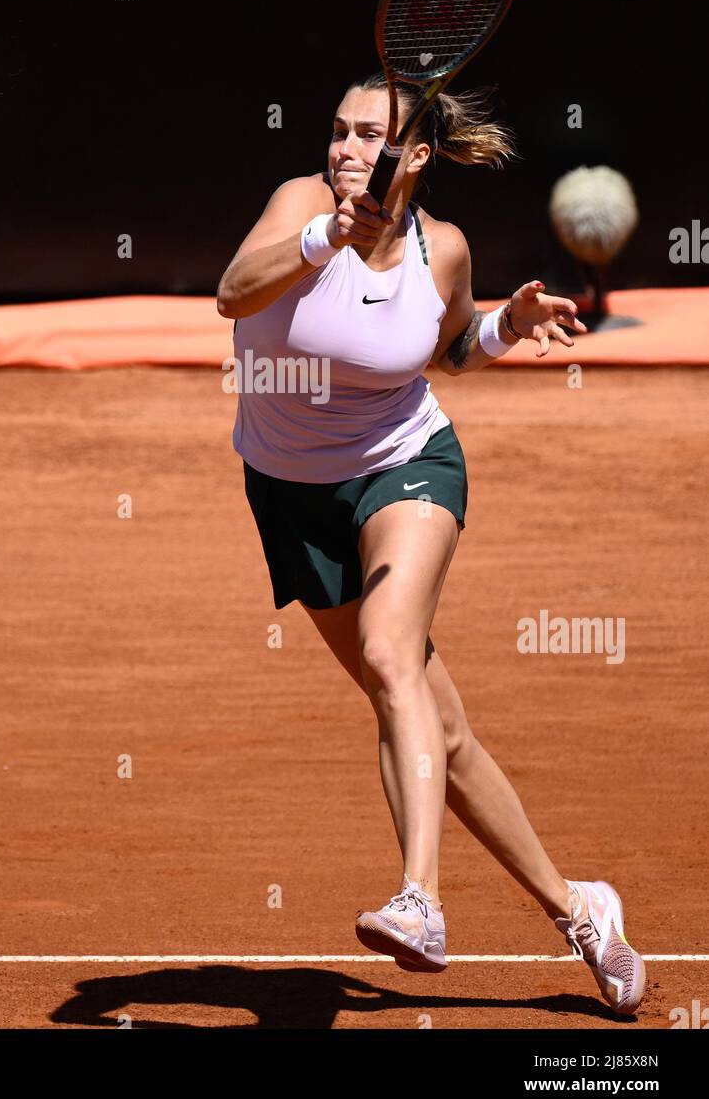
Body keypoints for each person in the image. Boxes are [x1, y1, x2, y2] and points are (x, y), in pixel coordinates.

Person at [216, 73, 646, 1015]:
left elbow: (444, 350)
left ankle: (421, 901)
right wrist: (329, 232)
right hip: (291, 497)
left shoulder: (440, 247)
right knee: (434, 727)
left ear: (412, 155)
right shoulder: (301, 207)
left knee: (386, 648)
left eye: (367, 135)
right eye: (336, 131)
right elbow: (233, 295)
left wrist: (503, 327)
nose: (343, 150)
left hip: (407, 469)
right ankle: (580, 908)